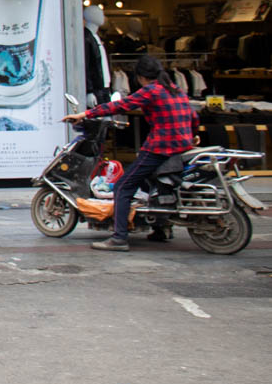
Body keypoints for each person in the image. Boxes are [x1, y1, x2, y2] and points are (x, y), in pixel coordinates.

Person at [63, 53, 196, 251]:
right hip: (182, 145)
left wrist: (85, 114)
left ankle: (119, 238)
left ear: (140, 77)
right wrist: (192, 135)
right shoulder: (176, 90)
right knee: (153, 184)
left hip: (160, 147)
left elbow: (121, 105)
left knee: (123, 186)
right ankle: (161, 229)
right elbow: (192, 115)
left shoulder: (151, 91)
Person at [82, 6, 109, 108]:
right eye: (100, 13)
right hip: (96, 89)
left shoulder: (95, 37)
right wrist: (89, 91)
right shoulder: (86, 38)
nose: (103, 16)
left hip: (103, 87)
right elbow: (86, 66)